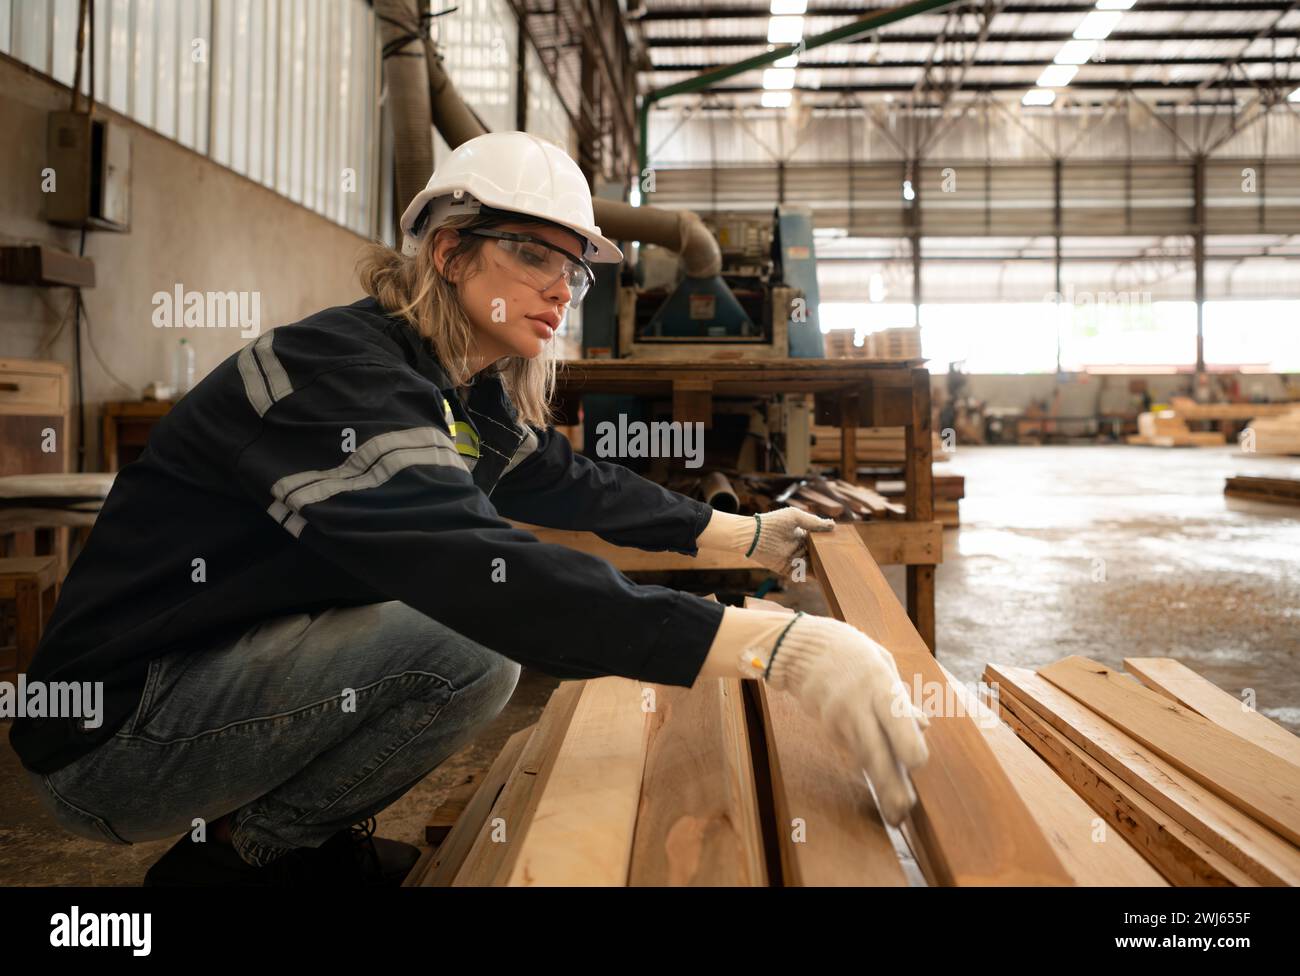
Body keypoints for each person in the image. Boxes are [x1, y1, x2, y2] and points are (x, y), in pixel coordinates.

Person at [10, 131, 929, 886]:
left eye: (572, 269)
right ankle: (245, 869)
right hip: (113, 735)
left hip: (222, 669)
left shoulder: (454, 384)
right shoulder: (340, 374)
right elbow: (474, 567)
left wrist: (748, 532)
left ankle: (301, 850)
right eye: (531, 253)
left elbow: (568, 480)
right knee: (463, 645)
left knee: (447, 633)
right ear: (448, 251)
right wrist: (777, 648)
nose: (559, 287)